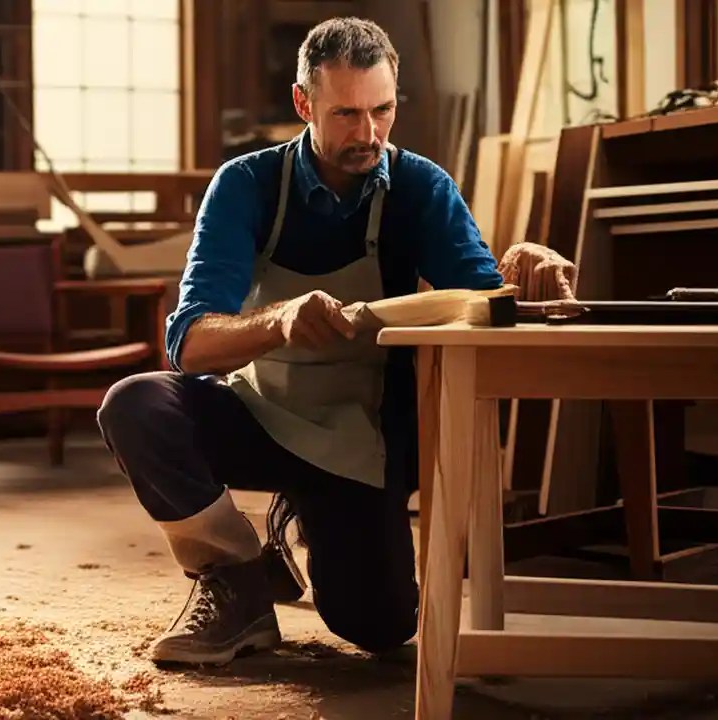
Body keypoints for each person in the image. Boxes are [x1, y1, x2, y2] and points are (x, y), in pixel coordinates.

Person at [96, 17, 574, 666]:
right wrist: (279, 319)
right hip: (263, 413)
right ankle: (236, 577)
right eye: (347, 114)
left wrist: (525, 272)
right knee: (137, 405)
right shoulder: (247, 185)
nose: (369, 133)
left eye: (382, 110)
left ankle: (302, 519)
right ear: (304, 104)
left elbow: (484, 309)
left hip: (365, 438)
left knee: (377, 627)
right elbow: (189, 342)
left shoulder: (421, 188)